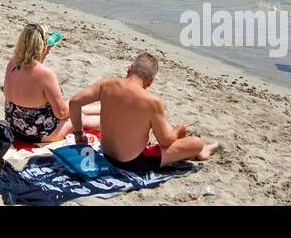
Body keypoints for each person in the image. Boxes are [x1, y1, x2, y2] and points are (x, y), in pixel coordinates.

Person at [69, 54, 219, 171]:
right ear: (150, 82)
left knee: (158, 126)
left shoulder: (106, 84)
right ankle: (200, 152)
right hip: (133, 161)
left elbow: (74, 102)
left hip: (107, 152)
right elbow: (165, 141)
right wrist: (177, 131)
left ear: (129, 69)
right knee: (196, 142)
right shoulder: (152, 102)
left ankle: (196, 152)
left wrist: (78, 134)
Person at [3, 24, 99, 144]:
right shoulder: (45, 74)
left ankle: (105, 108)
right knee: (79, 117)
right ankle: (118, 118)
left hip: (14, 126)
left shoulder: (12, 64)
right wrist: (74, 106)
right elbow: (61, 113)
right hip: (35, 133)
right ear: (43, 45)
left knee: (74, 108)